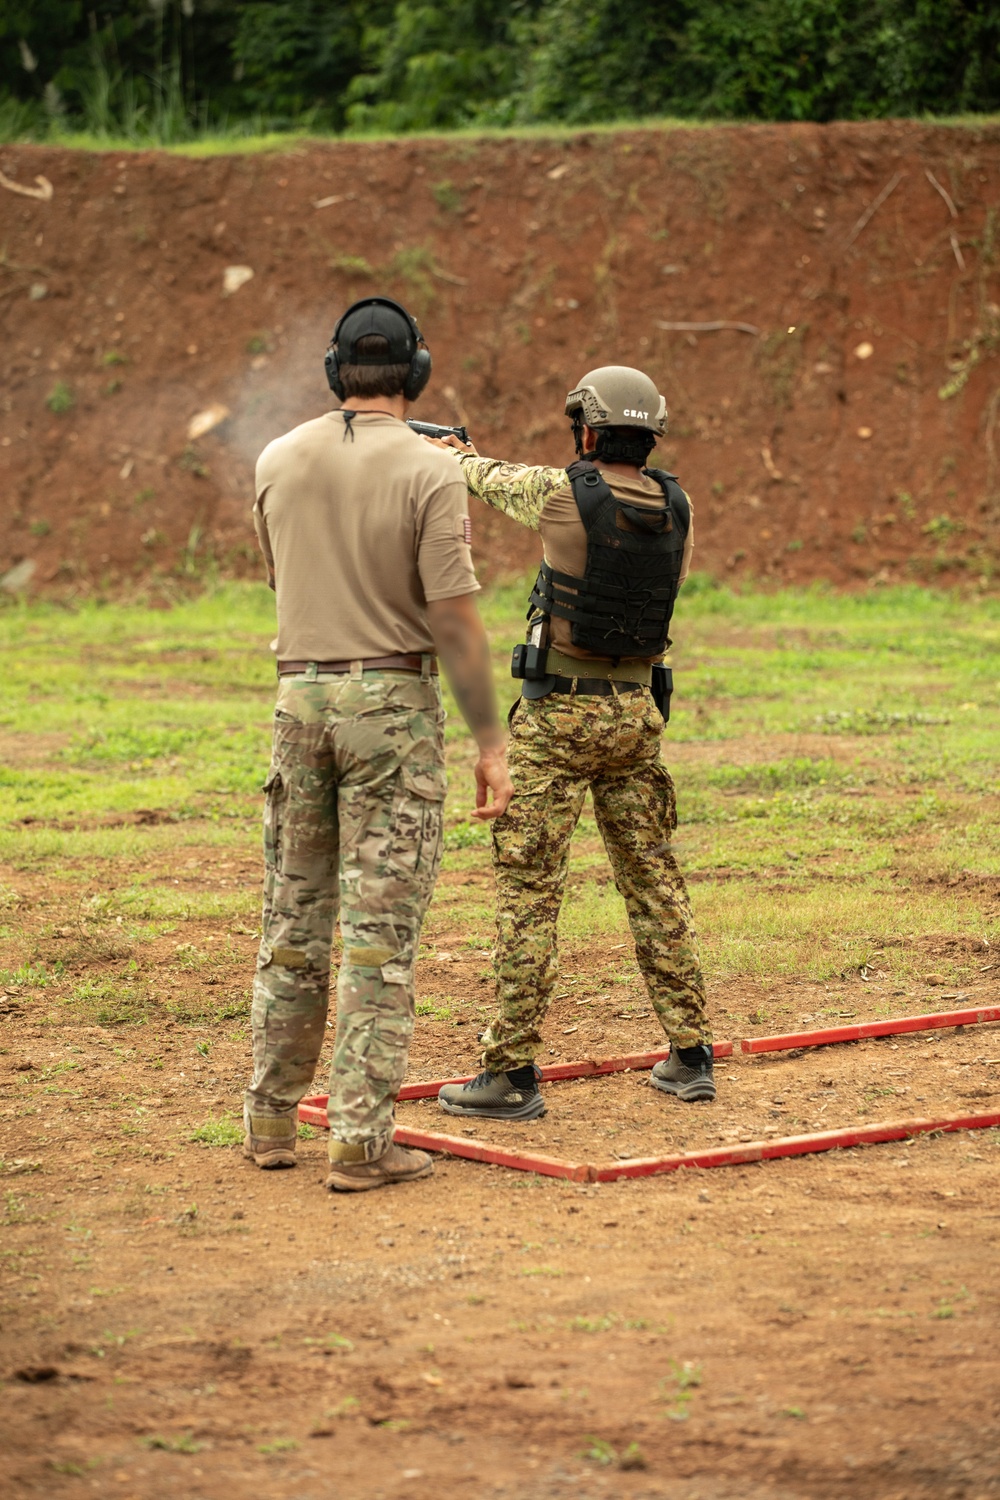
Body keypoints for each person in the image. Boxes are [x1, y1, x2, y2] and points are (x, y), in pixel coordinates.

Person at [243, 295, 512, 1191]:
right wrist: (490, 741)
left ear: (333, 374)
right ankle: (359, 1141)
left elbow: (282, 576)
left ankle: (270, 1120)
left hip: (298, 699)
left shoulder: (276, 457)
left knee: (292, 921)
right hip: (392, 702)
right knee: (376, 933)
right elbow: (456, 623)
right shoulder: (432, 471)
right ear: (418, 375)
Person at [431, 366, 715, 1122]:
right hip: (635, 716)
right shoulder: (680, 507)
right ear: (650, 434)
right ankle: (691, 1056)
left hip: (558, 718)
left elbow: (480, 476)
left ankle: (512, 1074)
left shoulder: (563, 493)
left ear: (587, 431)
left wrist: (448, 449)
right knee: (655, 884)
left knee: (529, 895)